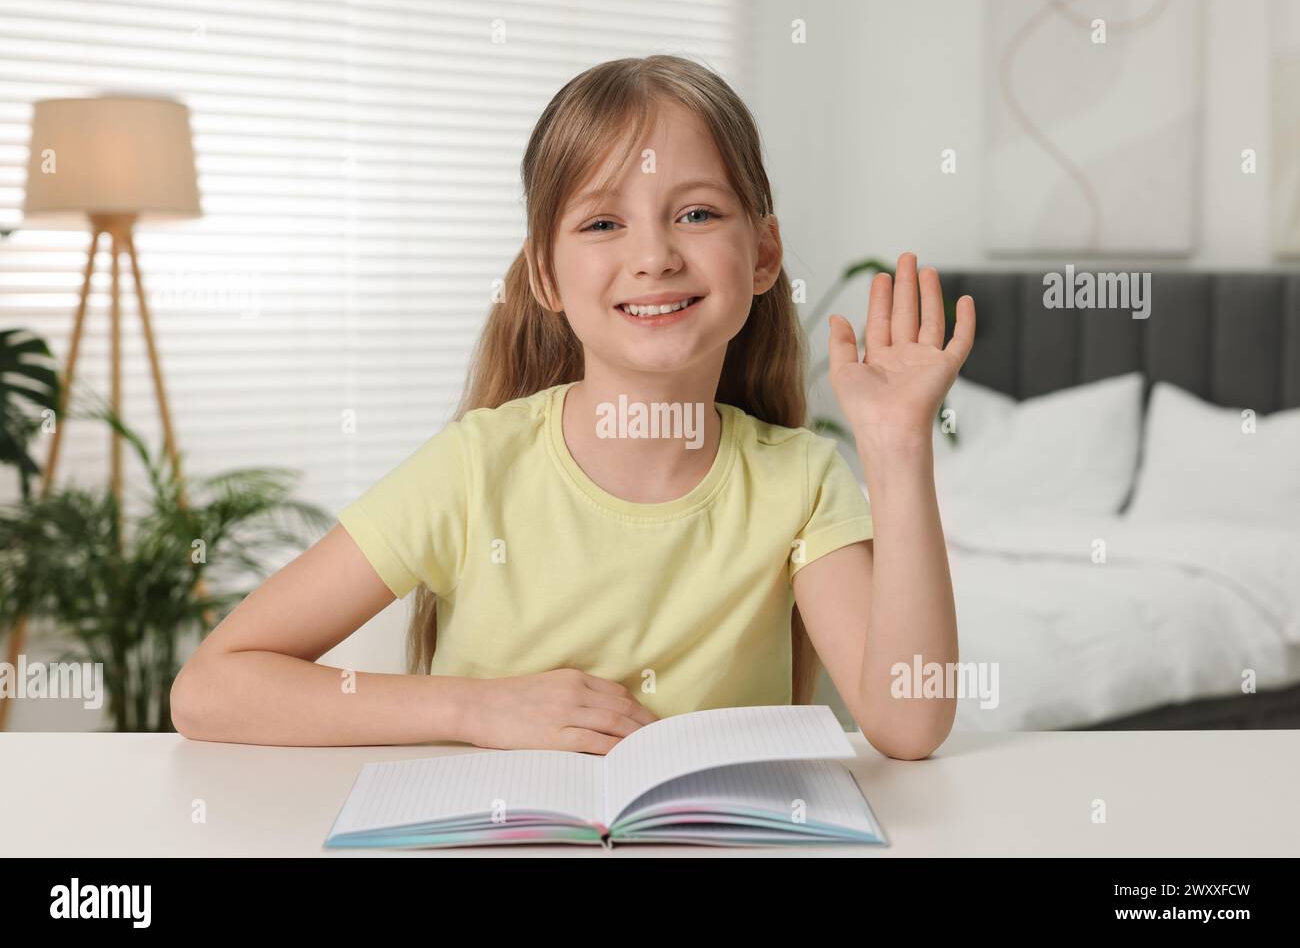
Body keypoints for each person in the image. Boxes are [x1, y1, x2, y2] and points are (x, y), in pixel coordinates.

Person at [171, 55, 975, 760]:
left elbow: (907, 724)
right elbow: (210, 688)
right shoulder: (475, 466)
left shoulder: (799, 480)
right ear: (546, 277)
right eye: (602, 222)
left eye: (696, 213)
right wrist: (478, 708)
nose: (655, 255)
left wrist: (898, 445)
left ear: (762, 253)